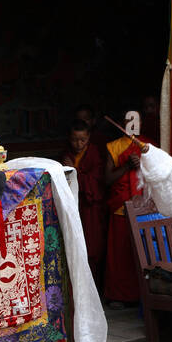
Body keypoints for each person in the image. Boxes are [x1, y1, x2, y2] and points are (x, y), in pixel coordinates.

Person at [102, 127, 146, 306]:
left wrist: (142, 164)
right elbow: (107, 179)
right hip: (121, 206)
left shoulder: (148, 145)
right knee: (119, 255)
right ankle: (118, 296)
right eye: (128, 120)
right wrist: (127, 166)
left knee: (140, 252)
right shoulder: (113, 146)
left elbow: (159, 172)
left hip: (143, 206)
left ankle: (142, 295)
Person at [62, 118, 107, 286]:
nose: (78, 144)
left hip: (91, 207)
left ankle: (94, 285)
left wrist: (75, 170)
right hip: (75, 207)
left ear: (89, 138)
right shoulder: (66, 154)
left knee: (92, 247)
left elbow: (95, 181)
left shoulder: (94, 154)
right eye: (74, 139)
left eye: (82, 140)